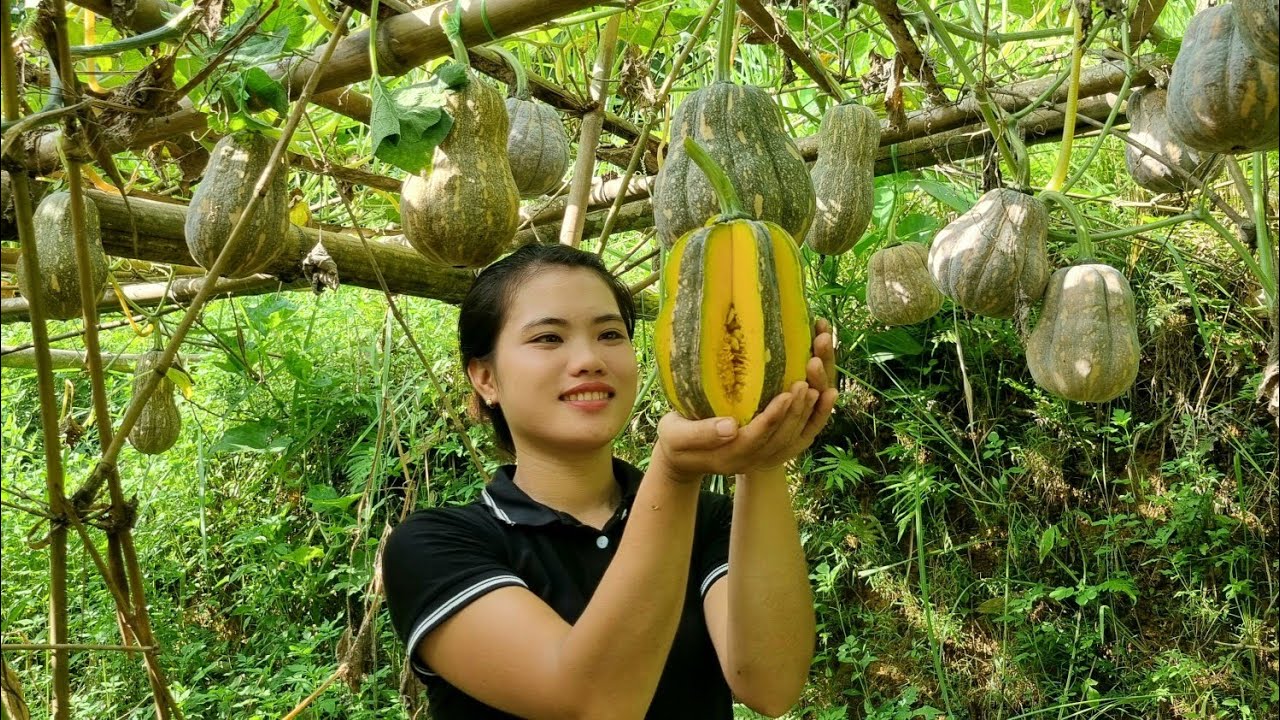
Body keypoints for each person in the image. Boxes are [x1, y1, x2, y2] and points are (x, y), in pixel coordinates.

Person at [383, 243, 838, 719]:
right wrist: (674, 474)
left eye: (609, 334)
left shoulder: (708, 520)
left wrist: (766, 447)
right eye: (548, 338)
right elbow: (592, 704)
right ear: (485, 379)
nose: (589, 359)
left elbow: (770, 686)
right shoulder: (435, 546)